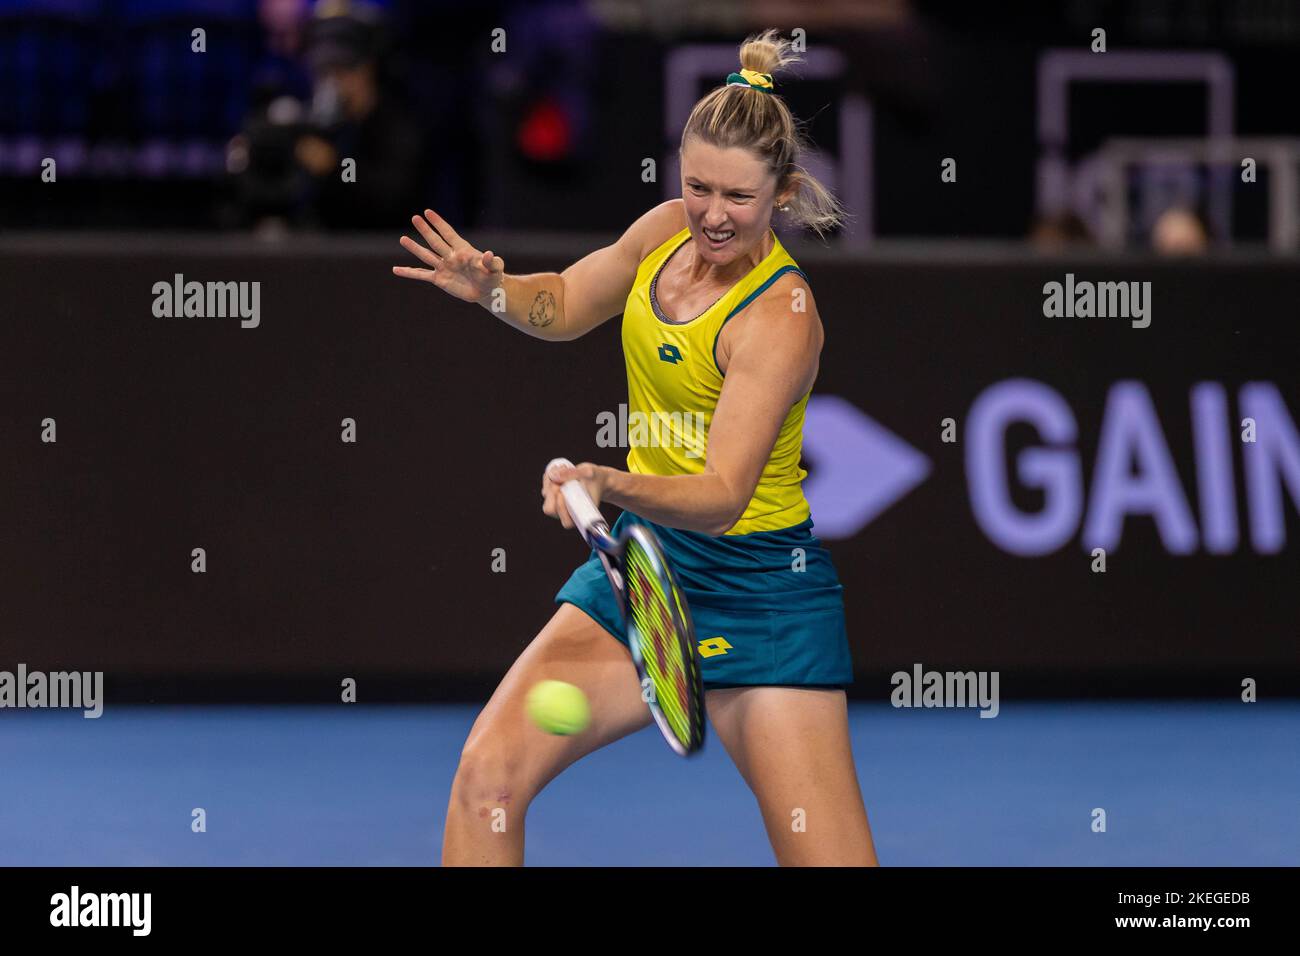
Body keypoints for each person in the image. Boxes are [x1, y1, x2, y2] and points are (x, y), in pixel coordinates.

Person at [394, 30, 879, 867]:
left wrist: (605, 482)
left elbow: (725, 493)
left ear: (784, 194)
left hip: (762, 596)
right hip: (645, 577)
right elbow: (569, 303)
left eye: (738, 196)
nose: (713, 215)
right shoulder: (662, 232)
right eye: (697, 187)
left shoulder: (779, 318)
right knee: (487, 780)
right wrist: (495, 292)